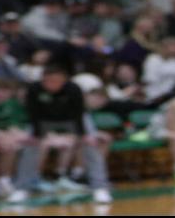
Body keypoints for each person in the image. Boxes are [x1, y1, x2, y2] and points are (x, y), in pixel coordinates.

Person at [25, 64, 112, 202]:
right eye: (48, 81)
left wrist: (83, 135)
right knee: (32, 145)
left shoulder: (73, 90)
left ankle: (99, 187)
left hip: (69, 125)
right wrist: (39, 135)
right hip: (44, 126)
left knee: (91, 144)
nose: (52, 84)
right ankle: (23, 187)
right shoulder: (34, 90)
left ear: (64, 80)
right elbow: (33, 115)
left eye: (56, 81)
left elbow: (78, 116)